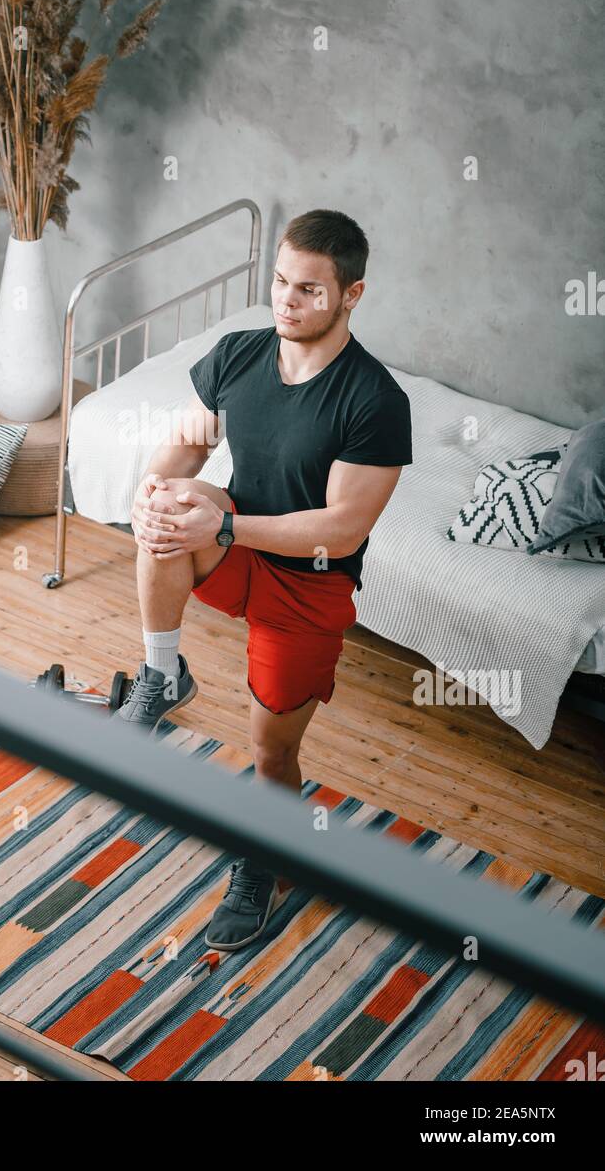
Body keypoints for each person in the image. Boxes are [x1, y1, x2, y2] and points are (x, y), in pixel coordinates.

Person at [118, 209, 413, 950]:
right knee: (167, 506)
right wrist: (150, 495)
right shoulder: (239, 355)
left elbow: (342, 528)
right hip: (239, 547)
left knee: (270, 751)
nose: (286, 300)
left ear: (352, 294)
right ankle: (160, 675)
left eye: (309, 290)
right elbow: (179, 454)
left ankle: (265, 859)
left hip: (309, 588)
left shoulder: (375, 400)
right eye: (280, 282)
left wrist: (221, 526)